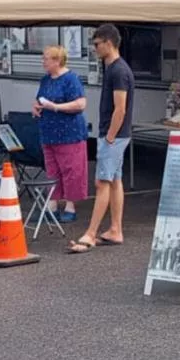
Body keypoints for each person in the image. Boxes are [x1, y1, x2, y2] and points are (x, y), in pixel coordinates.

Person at [69, 24, 133, 254]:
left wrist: (110, 136)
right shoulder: (114, 69)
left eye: (97, 44)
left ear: (108, 42)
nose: (94, 48)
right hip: (116, 134)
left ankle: (91, 233)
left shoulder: (118, 71)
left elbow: (120, 109)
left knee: (102, 182)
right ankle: (115, 229)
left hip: (113, 134)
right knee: (115, 180)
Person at [31, 45, 88, 224]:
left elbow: (80, 104)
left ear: (57, 61)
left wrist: (56, 107)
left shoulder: (71, 79)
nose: (43, 62)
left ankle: (70, 207)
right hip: (48, 133)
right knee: (52, 170)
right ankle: (52, 206)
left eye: (46, 58)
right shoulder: (45, 80)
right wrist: (36, 107)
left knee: (71, 170)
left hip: (69, 133)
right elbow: (39, 99)